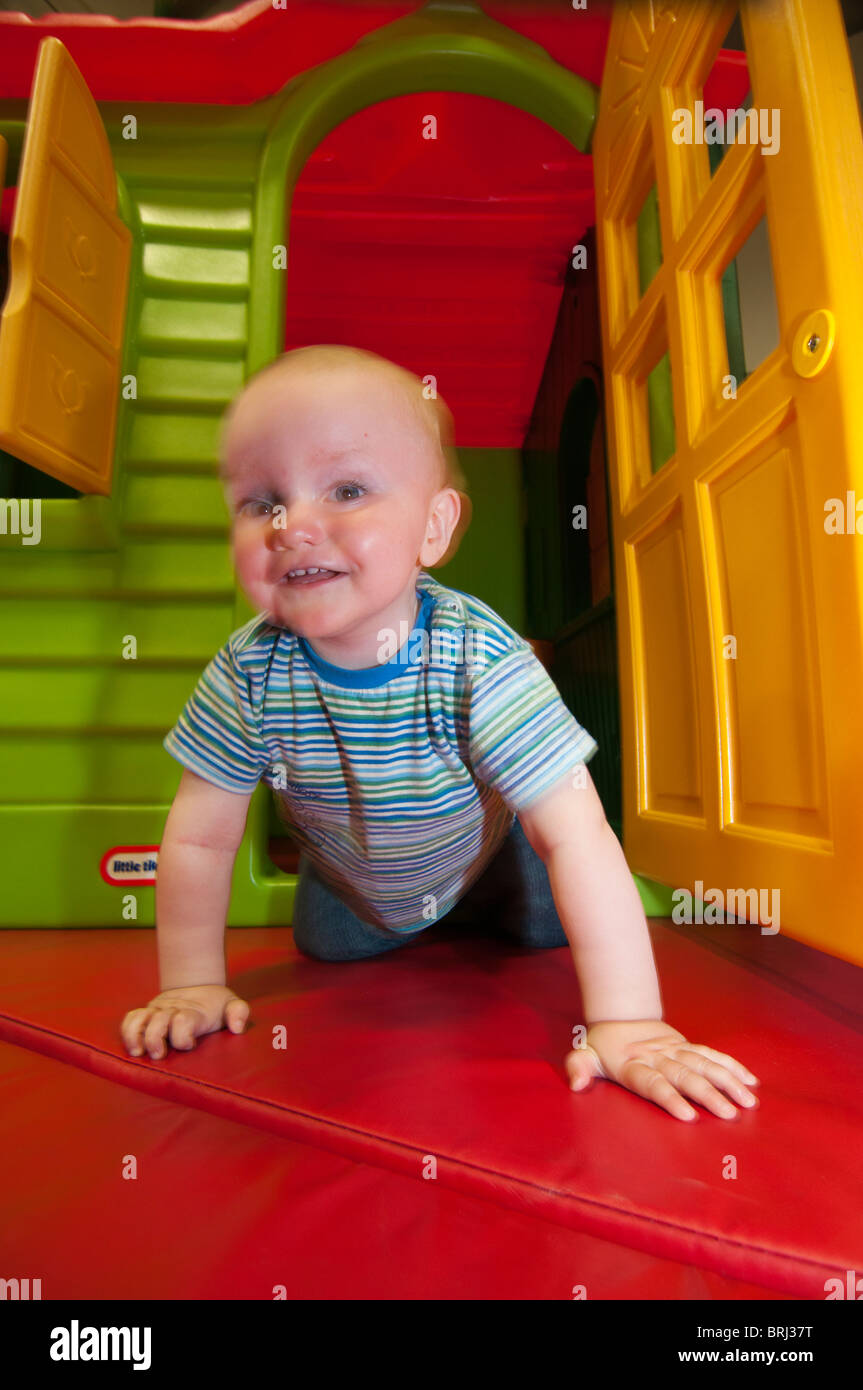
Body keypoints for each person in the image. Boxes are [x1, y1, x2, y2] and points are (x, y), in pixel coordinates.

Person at [121, 345, 760, 1123]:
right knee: (326, 946)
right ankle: (406, 917)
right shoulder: (249, 669)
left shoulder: (475, 655)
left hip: (494, 858)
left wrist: (629, 1023)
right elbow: (200, 841)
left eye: (347, 489)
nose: (292, 526)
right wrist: (190, 978)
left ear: (433, 527)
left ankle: (485, 906)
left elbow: (577, 836)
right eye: (260, 502)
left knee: (543, 924)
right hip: (359, 888)